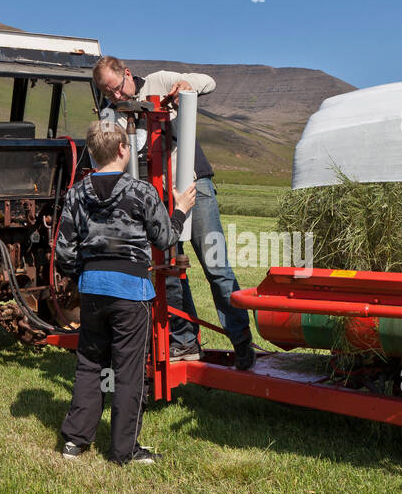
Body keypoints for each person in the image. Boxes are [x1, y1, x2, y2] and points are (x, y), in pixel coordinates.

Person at [91, 56, 256, 370]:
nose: (115, 97)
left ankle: (242, 343)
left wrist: (187, 85)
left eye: (115, 89)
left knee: (216, 266)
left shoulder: (160, 81)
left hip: (193, 187)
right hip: (156, 198)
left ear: (126, 74)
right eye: (107, 93)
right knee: (170, 272)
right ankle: (184, 342)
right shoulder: (113, 112)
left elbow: (209, 81)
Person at [54, 120, 196, 465]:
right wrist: (179, 210)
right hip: (131, 291)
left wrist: (84, 276)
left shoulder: (76, 193)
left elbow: (63, 254)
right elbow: (164, 239)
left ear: (91, 151)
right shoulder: (141, 191)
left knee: (90, 364)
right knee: (129, 371)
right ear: (123, 149)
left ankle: (75, 441)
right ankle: (123, 451)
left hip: (91, 290)